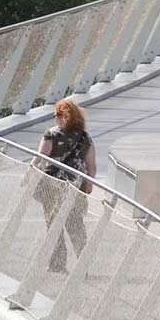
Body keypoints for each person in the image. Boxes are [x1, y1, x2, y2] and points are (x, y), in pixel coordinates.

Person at [34, 98, 96, 274]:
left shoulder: (51, 134)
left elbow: (40, 158)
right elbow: (91, 166)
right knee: (76, 226)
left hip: (52, 186)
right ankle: (83, 265)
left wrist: (28, 175)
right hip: (76, 187)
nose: (55, 118)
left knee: (54, 225)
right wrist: (89, 184)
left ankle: (57, 264)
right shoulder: (85, 137)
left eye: (57, 114)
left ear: (64, 116)